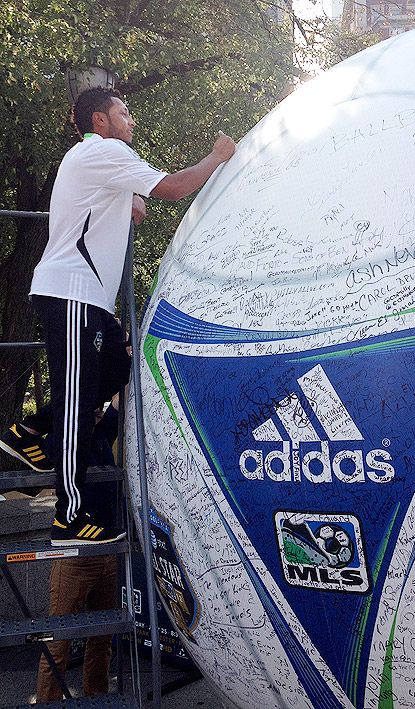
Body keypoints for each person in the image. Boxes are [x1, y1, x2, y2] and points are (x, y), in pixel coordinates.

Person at [0, 87, 235, 546]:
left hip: (89, 301)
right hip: (70, 293)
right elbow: (171, 188)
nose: (131, 120)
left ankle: (29, 430)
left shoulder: (101, 160)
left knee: (116, 368)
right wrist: (216, 157)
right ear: (100, 121)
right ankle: (69, 516)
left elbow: (138, 207)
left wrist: (132, 197)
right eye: (123, 112)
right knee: (77, 402)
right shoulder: (103, 151)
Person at [36, 398, 122, 701]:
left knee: (101, 639)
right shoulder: (63, 438)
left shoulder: (102, 432)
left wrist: (126, 352)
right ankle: (48, 702)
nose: (97, 409)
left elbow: (118, 397)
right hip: (73, 556)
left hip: (107, 553)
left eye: (99, 406)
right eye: (91, 404)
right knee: (58, 642)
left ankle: (96, 697)